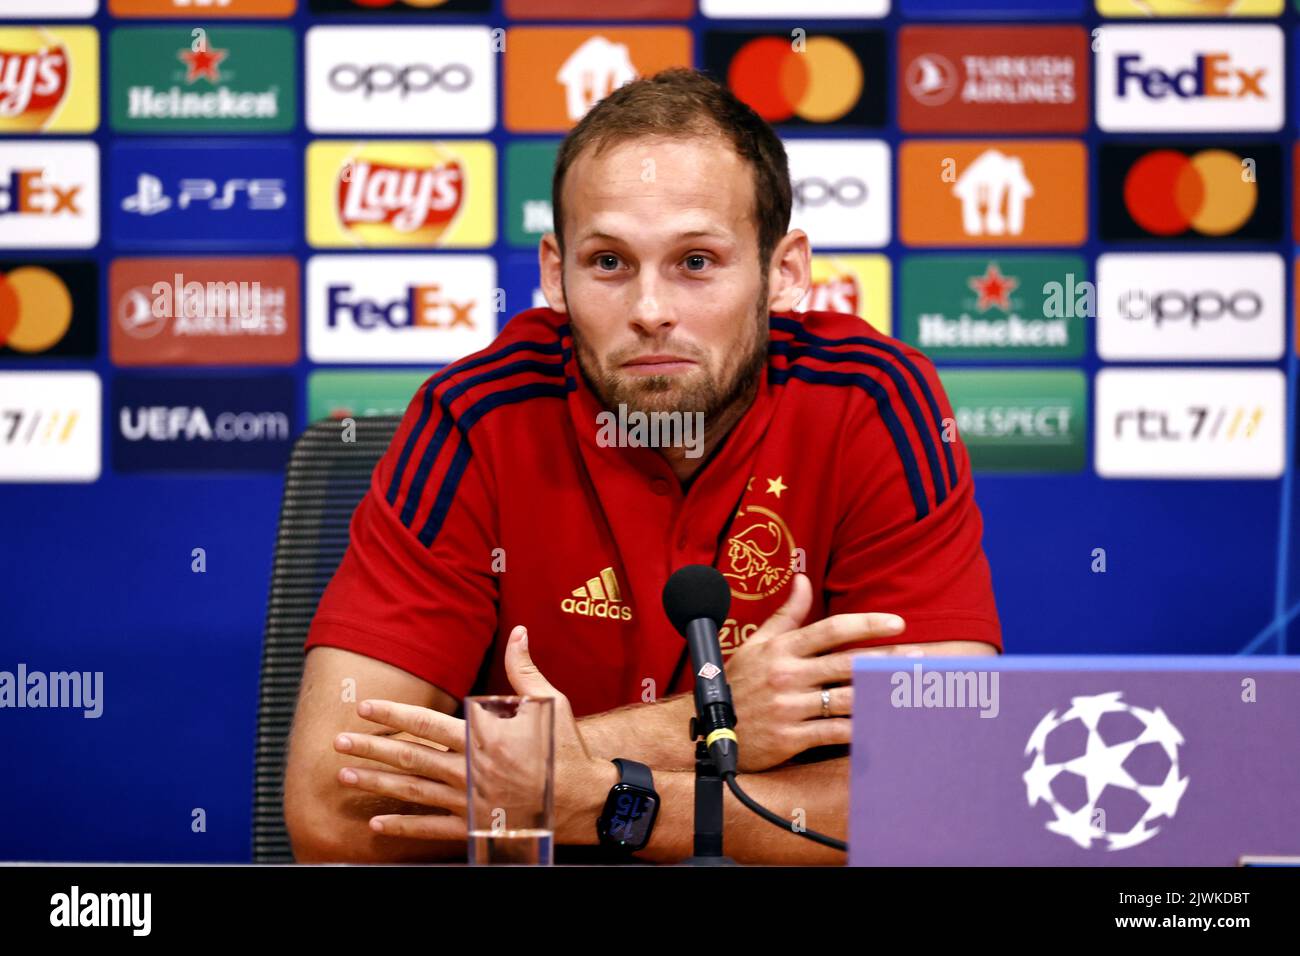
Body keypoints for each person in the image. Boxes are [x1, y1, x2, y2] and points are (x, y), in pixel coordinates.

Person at [284, 68, 1001, 865]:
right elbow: (333, 812)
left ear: (784, 273)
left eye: (696, 262)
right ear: (556, 274)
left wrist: (601, 799)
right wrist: (704, 722)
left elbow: (947, 796)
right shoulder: (472, 417)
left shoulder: (874, 402)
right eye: (609, 263)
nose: (650, 308)